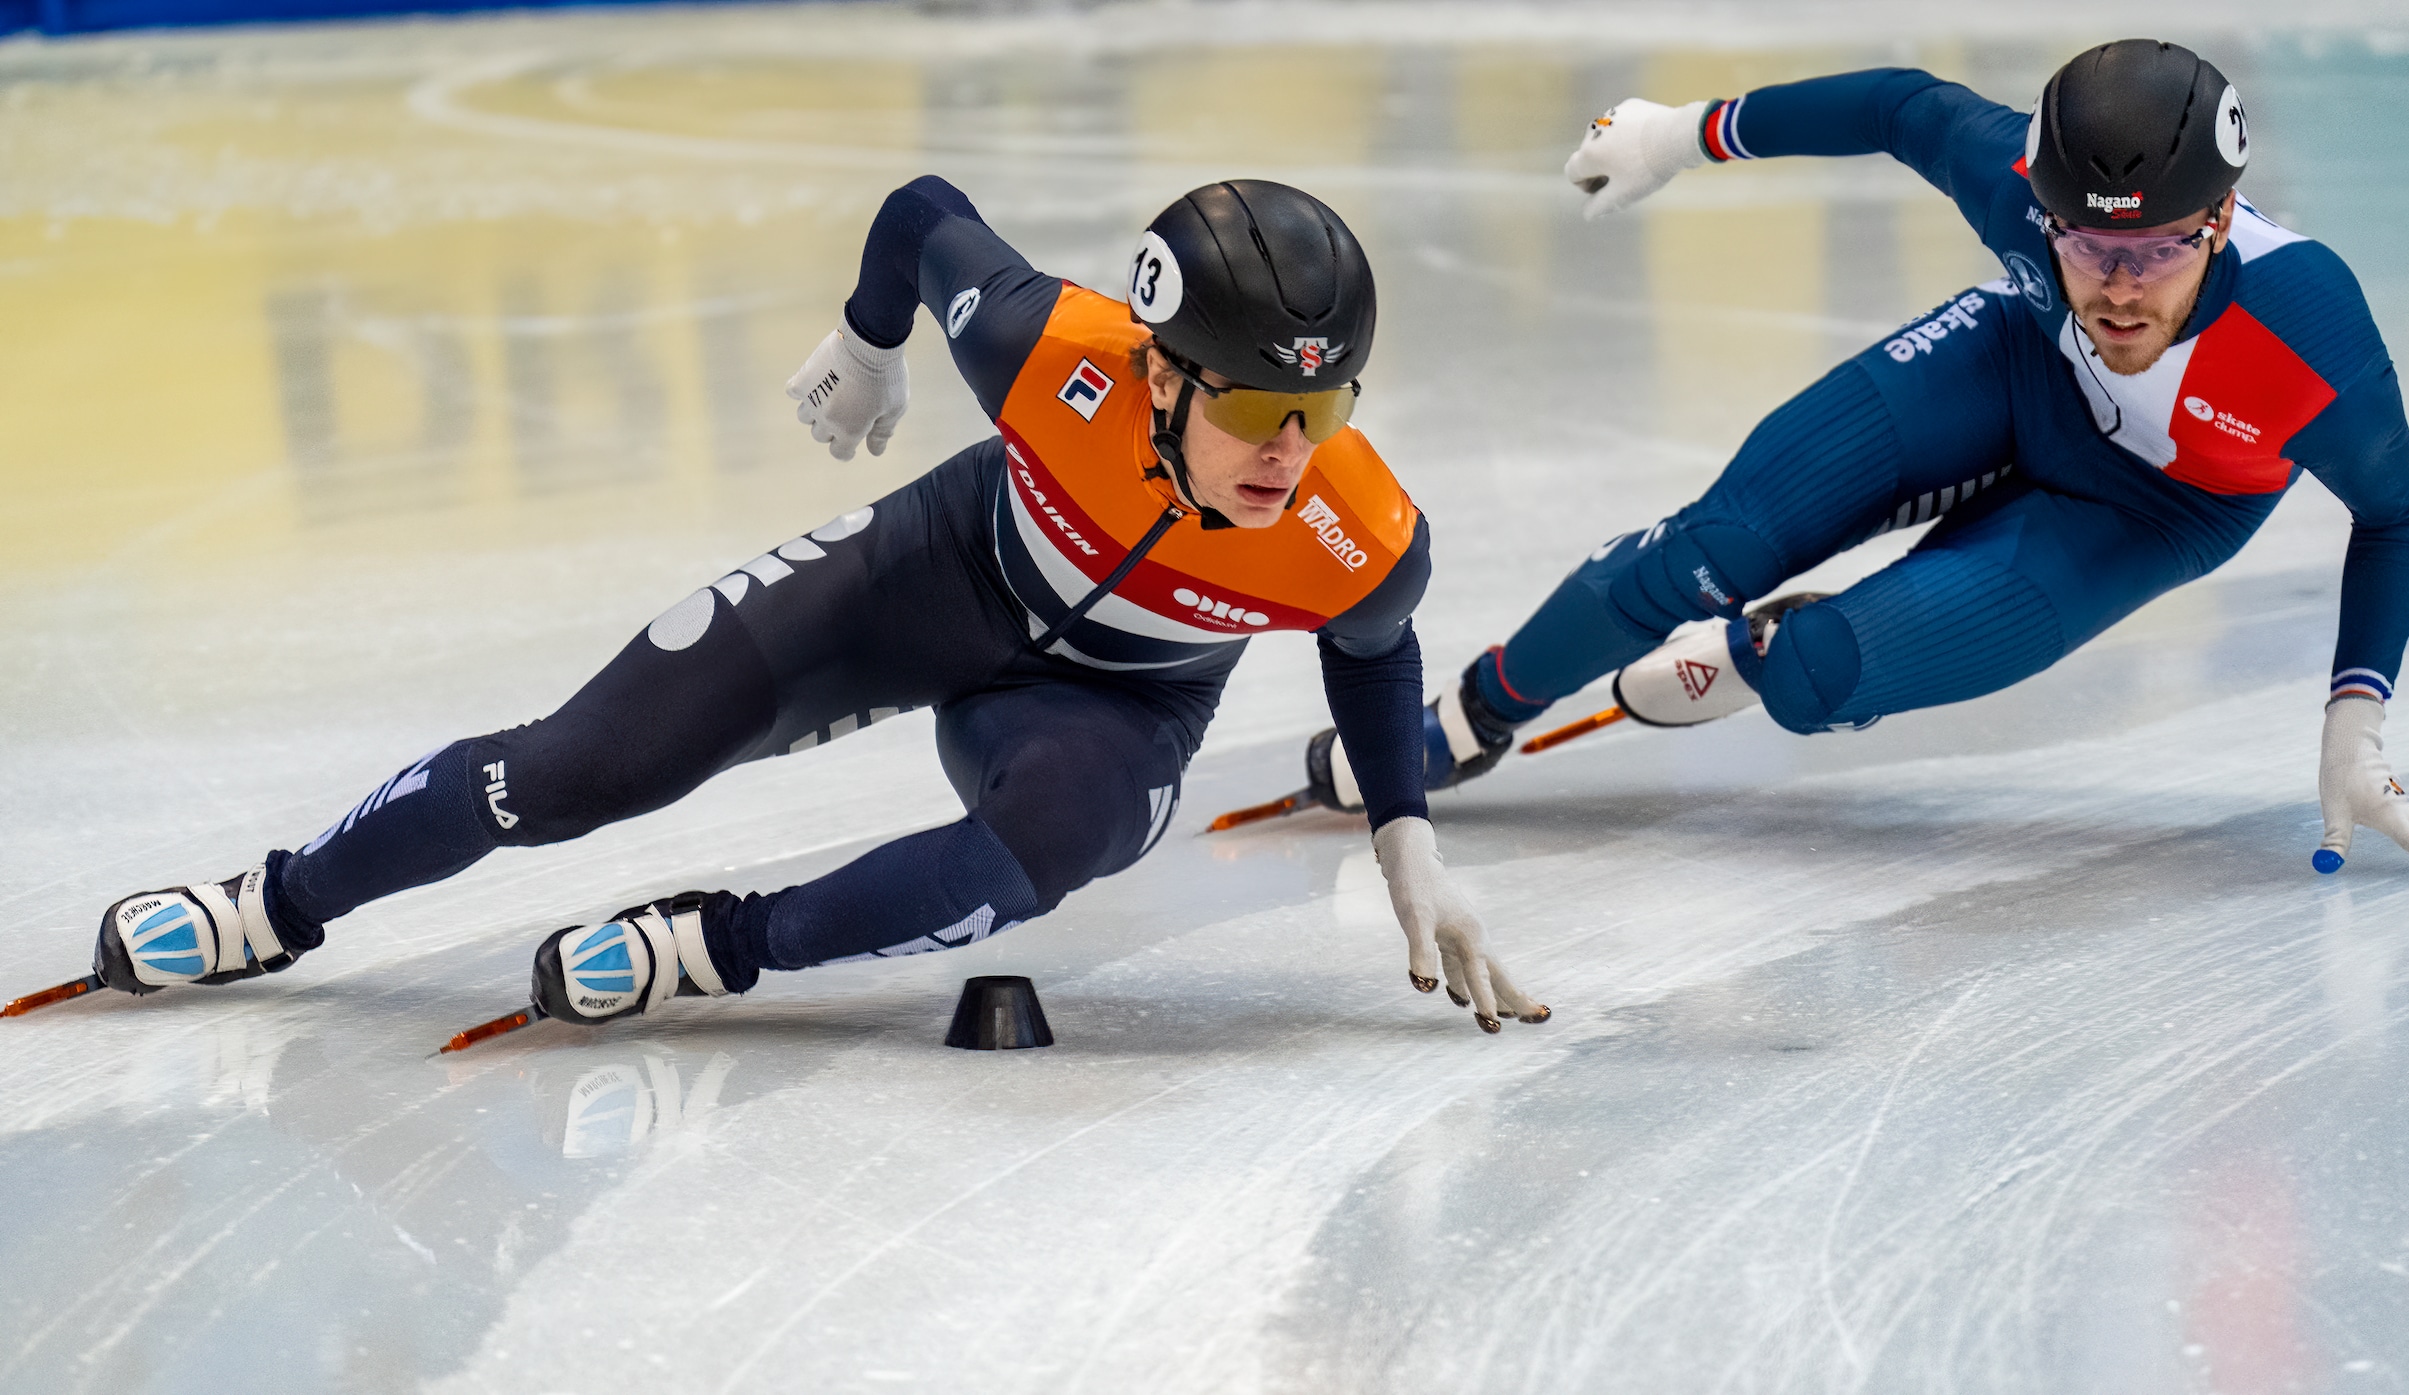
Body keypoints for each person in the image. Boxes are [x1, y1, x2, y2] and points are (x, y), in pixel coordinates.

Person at [85, 178, 1549, 1035]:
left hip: (1112, 703)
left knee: (1058, 840)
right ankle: (269, 905)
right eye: (1257, 407)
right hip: (928, 573)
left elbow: (1375, 642)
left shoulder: (1360, 526)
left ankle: (715, 942)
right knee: (574, 769)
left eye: (1326, 402)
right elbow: (923, 217)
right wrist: (869, 339)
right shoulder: (1055, 352)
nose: (1293, 451)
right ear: (1161, 373)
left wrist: (1404, 837)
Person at [1286, 39, 2409, 879]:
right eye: (2081, 243)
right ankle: (1476, 710)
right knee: (1706, 551)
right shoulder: (2017, 188)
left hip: (2149, 510)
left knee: (1815, 673)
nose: (2117, 288)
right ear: (2042, 208)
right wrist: (1680, 134)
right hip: (2015, 366)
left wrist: (2352, 723)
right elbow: (1901, 106)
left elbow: (2396, 513)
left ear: (2218, 221)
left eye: (2158, 251)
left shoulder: (2304, 330)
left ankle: (1767, 652)